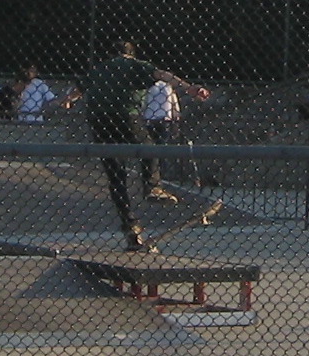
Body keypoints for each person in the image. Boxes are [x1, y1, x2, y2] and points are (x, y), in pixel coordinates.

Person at [59, 41, 209, 251]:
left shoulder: (101, 68)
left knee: (115, 173)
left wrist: (68, 100)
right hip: (125, 115)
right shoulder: (135, 65)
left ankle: (131, 226)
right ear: (130, 54)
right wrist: (189, 88)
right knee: (149, 147)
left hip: (98, 120)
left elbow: (79, 89)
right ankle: (152, 186)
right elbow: (162, 74)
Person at [138, 79, 182, 202]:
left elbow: (144, 103)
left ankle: (155, 176)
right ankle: (158, 176)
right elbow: (175, 106)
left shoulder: (149, 87)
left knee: (151, 148)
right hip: (164, 119)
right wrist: (176, 122)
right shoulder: (168, 88)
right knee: (160, 147)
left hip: (151, 119)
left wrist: (141, 116)